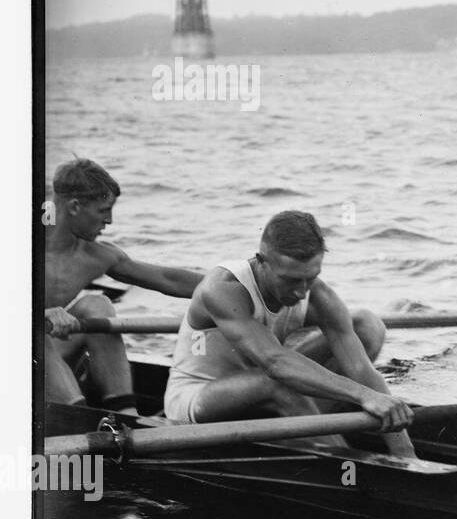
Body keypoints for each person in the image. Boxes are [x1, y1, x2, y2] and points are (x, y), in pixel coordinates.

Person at [163, 210, 415, 456]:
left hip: (263, 385)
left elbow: (361, 371)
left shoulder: (317, 294)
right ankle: (346, 465)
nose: (301, 292)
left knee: (365, 325)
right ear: (261, 262)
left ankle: (309, 428)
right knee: (279, 382)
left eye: (310, 278)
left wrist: (406, 453)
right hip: (198, 399)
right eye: (291, 280)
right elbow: (275, 363)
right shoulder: (223, 288)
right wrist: (363, 396)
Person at [44, 159, 203, 412]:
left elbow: (166, 279)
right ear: (74, 207)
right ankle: (77, 416)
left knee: (97, 305)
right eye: (103, 210)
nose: (109, 221)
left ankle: (125, 414)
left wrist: (238, 285)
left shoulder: (95, 255)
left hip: (45, 359)